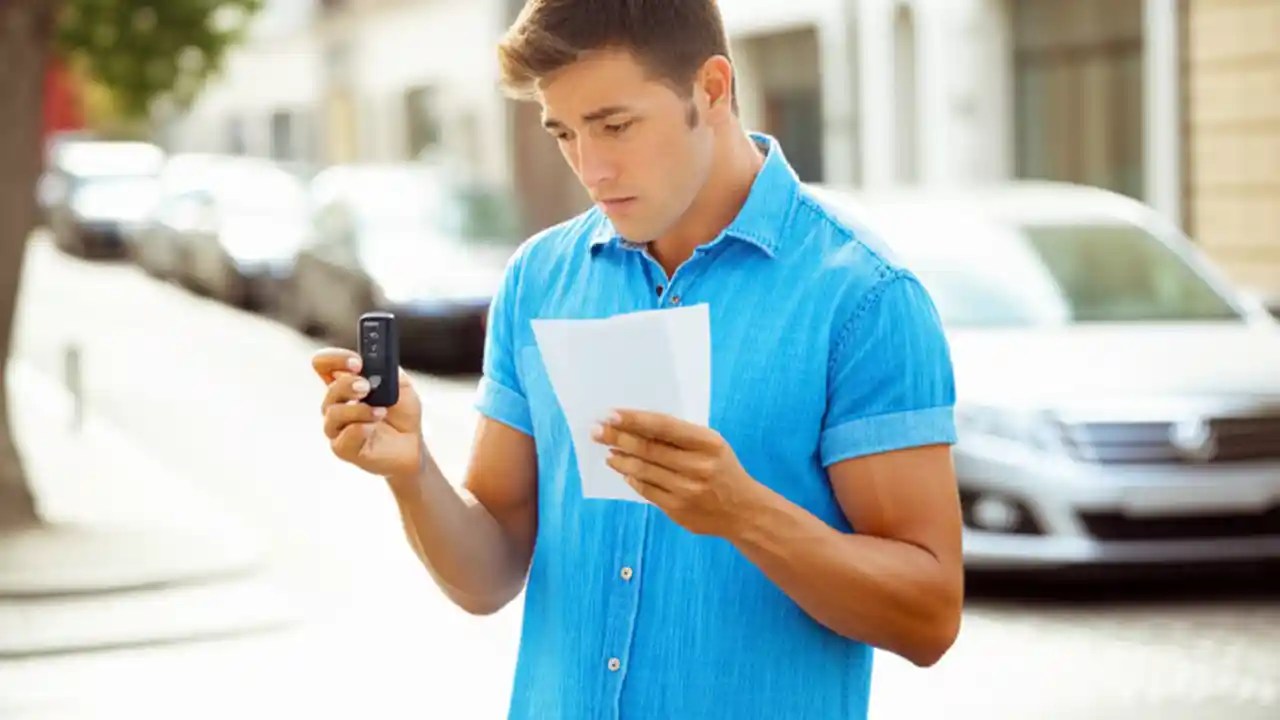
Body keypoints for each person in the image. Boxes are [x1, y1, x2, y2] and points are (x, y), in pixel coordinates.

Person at [312, 0, 964, 717]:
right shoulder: (539, 280)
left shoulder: (863, 298)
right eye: (564, 133)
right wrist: (413, 472)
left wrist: (743, 513)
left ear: (711, 89)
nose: (590, 168)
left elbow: (928, 618)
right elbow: (488, 576)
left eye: (615, 125)